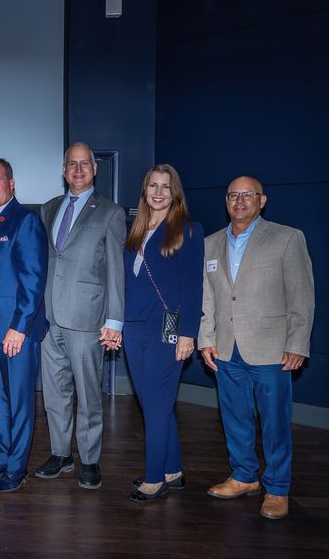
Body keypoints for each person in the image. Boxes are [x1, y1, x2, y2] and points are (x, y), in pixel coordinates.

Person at [199, 175, 314, 520]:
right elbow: (207, 298)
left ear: (262, 201)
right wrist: (206, 339)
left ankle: (277, 488)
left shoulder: (286, 238)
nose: (239, 201)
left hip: (271, 350)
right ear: (226, 201)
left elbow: (302, 296)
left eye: (247, 195)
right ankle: (244, 476)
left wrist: (297, 343)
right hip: (225, 348)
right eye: (233, 195)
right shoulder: (210, 244)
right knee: (234, 418)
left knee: (275, 423)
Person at [35, 142, 125, 490]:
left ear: (94, 169)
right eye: (71, 164)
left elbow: (115, 270)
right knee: (55, 393)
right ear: (63, 170)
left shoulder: (110, 213)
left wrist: (114, 321)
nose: (77, 170)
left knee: (88, 395)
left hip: (88, 319)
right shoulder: (48, 208)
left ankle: (89, 459)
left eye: (84, 164)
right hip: (49, 318)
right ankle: (61, 454)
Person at [122, 164, 203, 501]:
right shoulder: (136, 230)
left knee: (156, 405)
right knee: (154, 402)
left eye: (166, 186)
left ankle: (155, 478)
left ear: (175, 192)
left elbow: (194, 286)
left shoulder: (188, 229)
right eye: (152, 186)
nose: (158, 192)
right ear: (144, 191)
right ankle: (173, 470)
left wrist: (188, 333)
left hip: (165, 329)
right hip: (132, 327)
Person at [0, 158, 48, 493]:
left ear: (11, 184)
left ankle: (16, 468)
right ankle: (0, 459)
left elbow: (33, 280)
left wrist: (20, 326)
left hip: (15, 332)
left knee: (19, 402)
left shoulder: (25, 220)